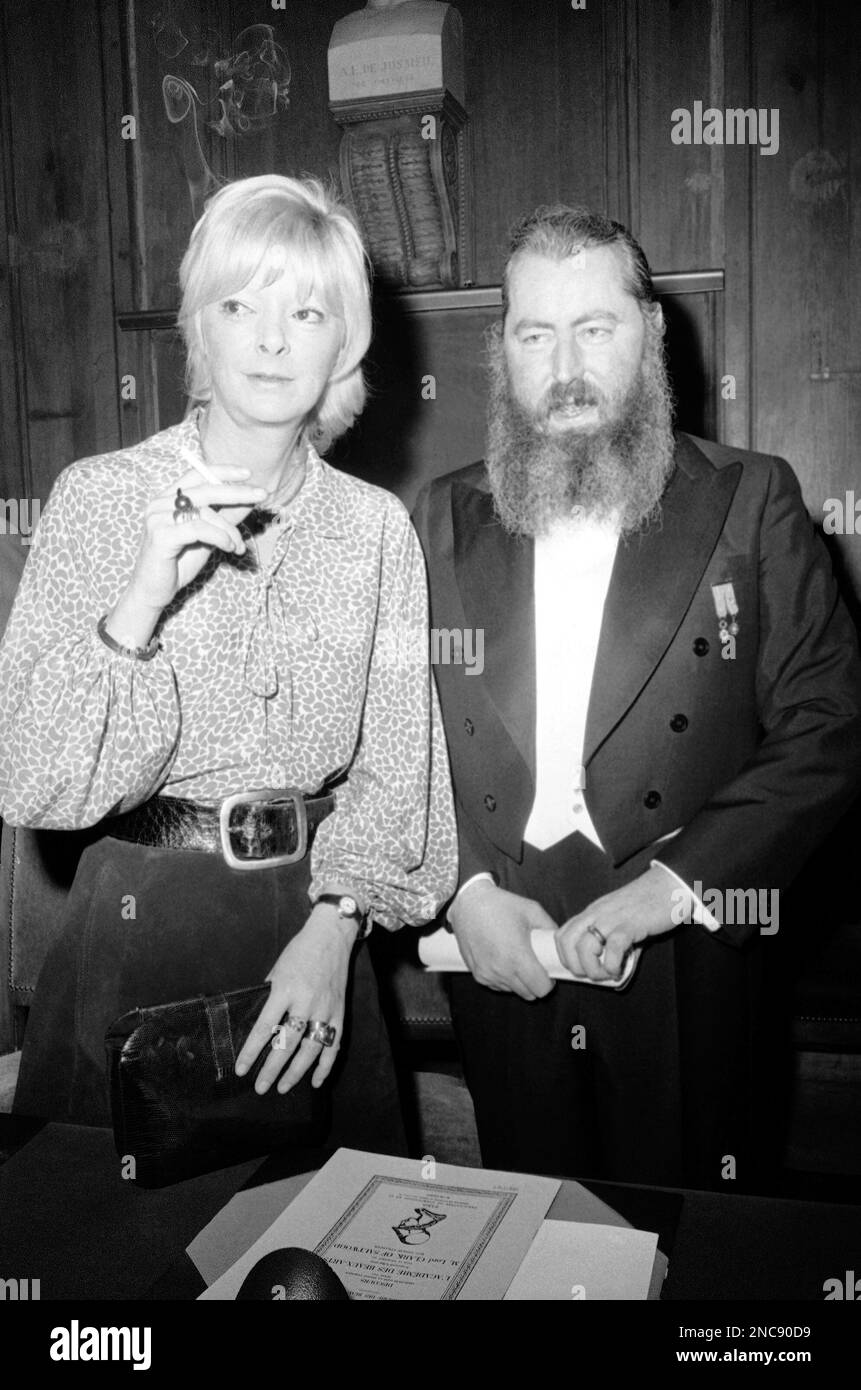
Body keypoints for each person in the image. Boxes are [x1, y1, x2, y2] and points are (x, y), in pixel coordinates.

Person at [0, 174, 457, 1150]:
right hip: (143, 926)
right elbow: (34, 780)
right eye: (238, 304)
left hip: (318, 932)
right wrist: (144, 594)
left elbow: (400, 769)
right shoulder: (100, 497)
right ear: (198, 328)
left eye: (306, 310)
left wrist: (335, 934)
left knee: (329, 1248)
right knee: (130, 1270)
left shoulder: (376, 529)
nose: (271, 338)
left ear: (347, 343)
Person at [412, 205, 861, 1187]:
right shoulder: (439, 516)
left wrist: (675, 889)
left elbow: (829, 730)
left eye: (596, 327)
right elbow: (404, 733)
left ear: (652, 336)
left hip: (687, 969)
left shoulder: (753, 498)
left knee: (686, 1249)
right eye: (536, 333)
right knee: (525, 1236)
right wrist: (466, 890)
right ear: (505, 353)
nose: (565, 363)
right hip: (505, 960)